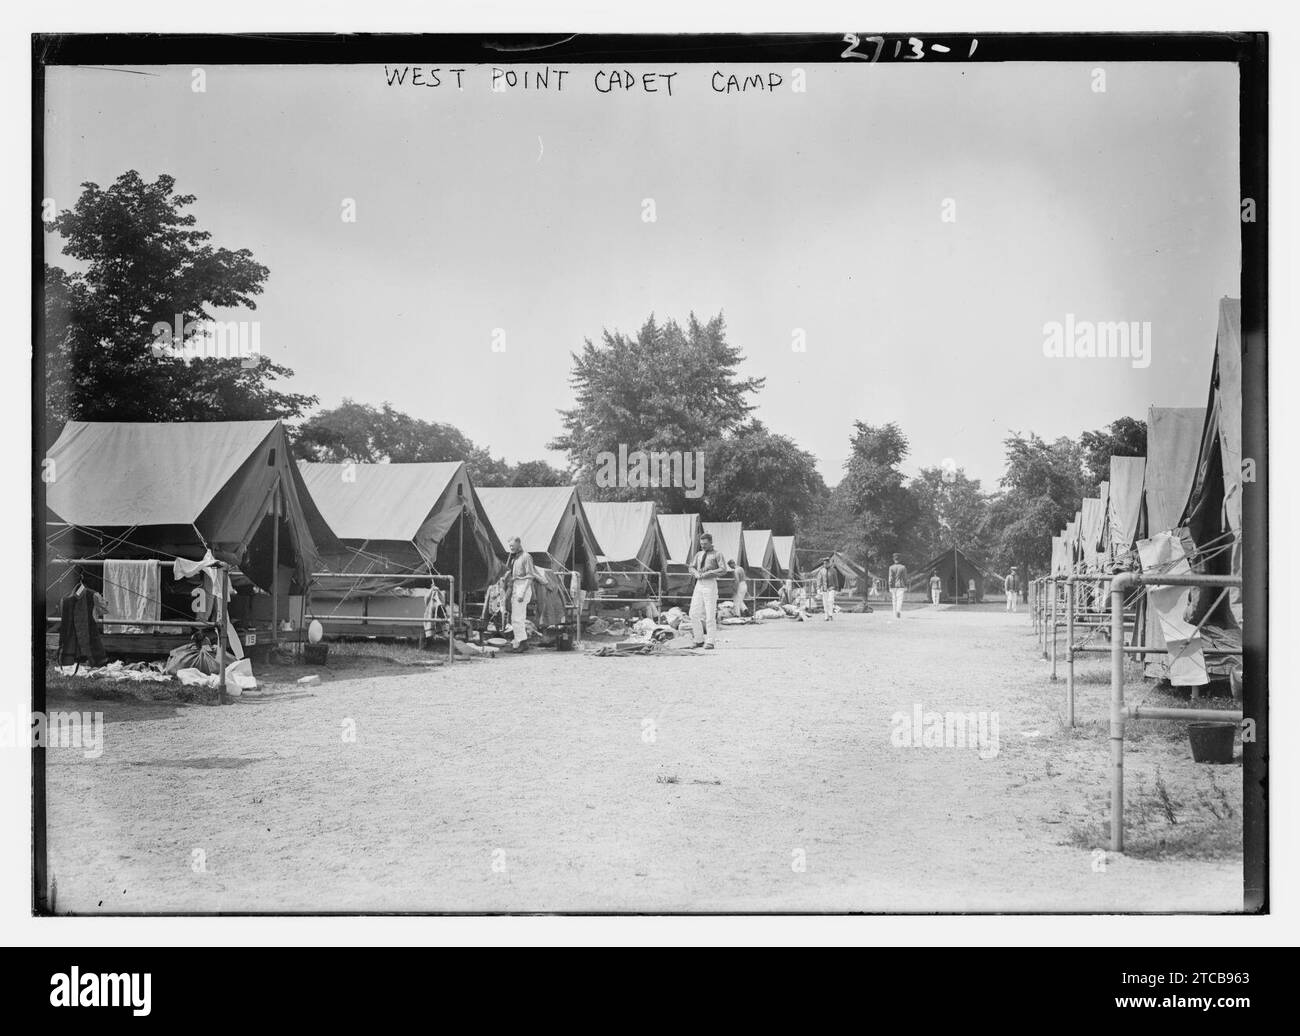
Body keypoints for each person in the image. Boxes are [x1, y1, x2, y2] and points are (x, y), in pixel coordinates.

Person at [500, 536, 544, 651]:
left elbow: (530, 576)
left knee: (517, 618)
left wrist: (522, 593)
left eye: (513, 546)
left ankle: (522, 643)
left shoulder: (526, 557)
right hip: (516, 585)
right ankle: (521, 641)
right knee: (516, 617)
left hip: (523, 585)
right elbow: (513, 578)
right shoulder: (515, 558)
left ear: (519, 543)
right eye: (509, 546)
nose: (511, 548)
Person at [688, 531, 725, 649]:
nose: (703, 546)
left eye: (705, 544)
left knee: (709, 614)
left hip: (710, 584)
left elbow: (723, 569)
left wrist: (708, 573)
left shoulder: (717, 554)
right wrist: (695, 573)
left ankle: (710, 641)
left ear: (711, 543)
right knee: (693, 613)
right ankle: (698, 639)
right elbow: (691, 567)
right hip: (699, 584)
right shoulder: (698, 554)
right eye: (701, 543)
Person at [888, 554, 908, 619]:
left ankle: (894, 613)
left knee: (894, 599)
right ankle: (898, 611)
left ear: (894, 559)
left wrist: (890, 585)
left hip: (893, 585)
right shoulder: (903, 567)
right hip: (901, 585)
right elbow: (905, 577)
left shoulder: (891, 567)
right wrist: (905, 584)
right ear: (900, 559)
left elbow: (890, 578)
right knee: (900, 599)